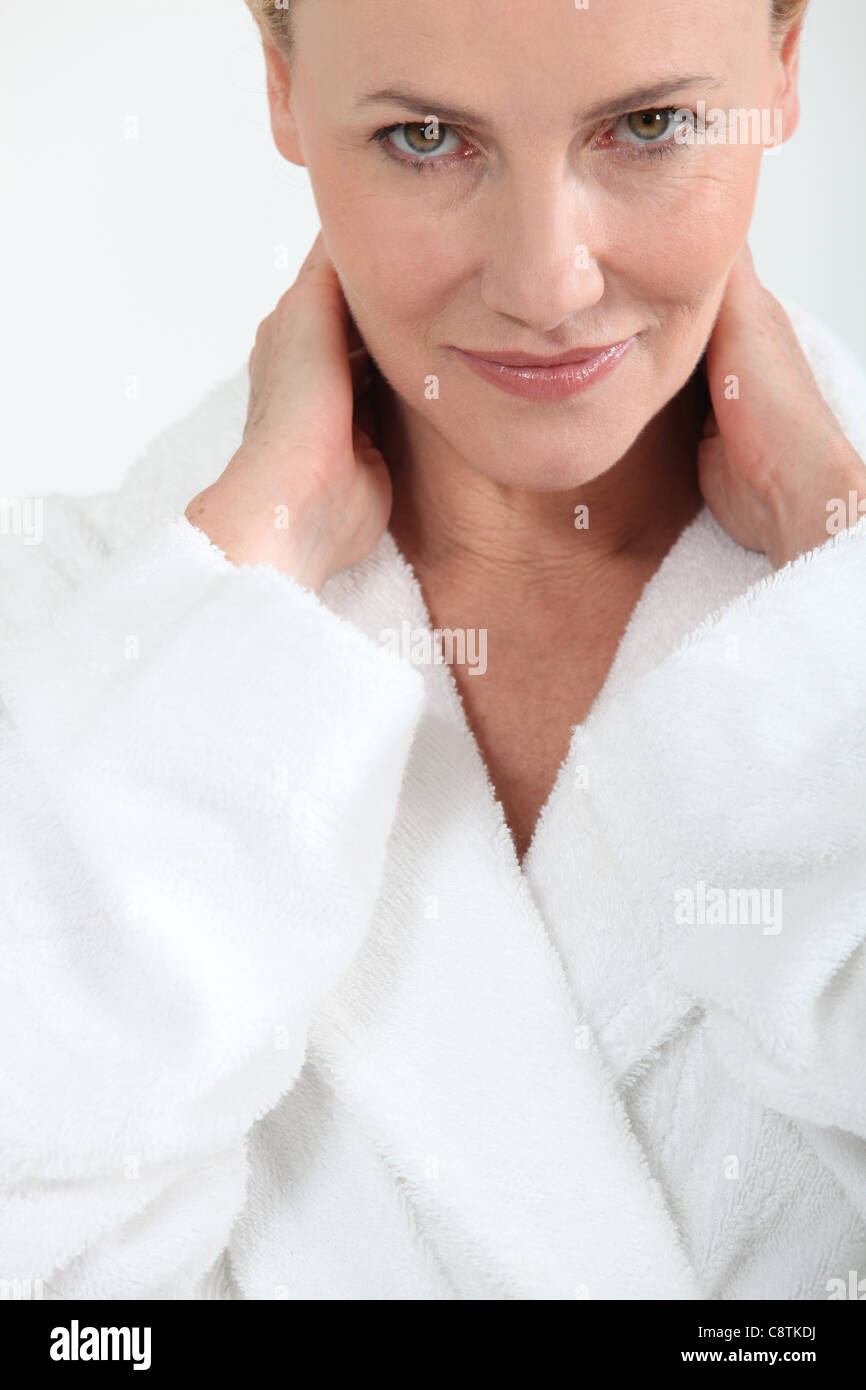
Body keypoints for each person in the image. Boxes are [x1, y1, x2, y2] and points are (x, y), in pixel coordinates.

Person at [2, 0, 865, 1300]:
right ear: (282, 87)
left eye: (648, 125)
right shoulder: (57, 639)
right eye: (423, 137)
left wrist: (835, 572)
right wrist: (245, 574)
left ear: (784, 68)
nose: (546, 283)